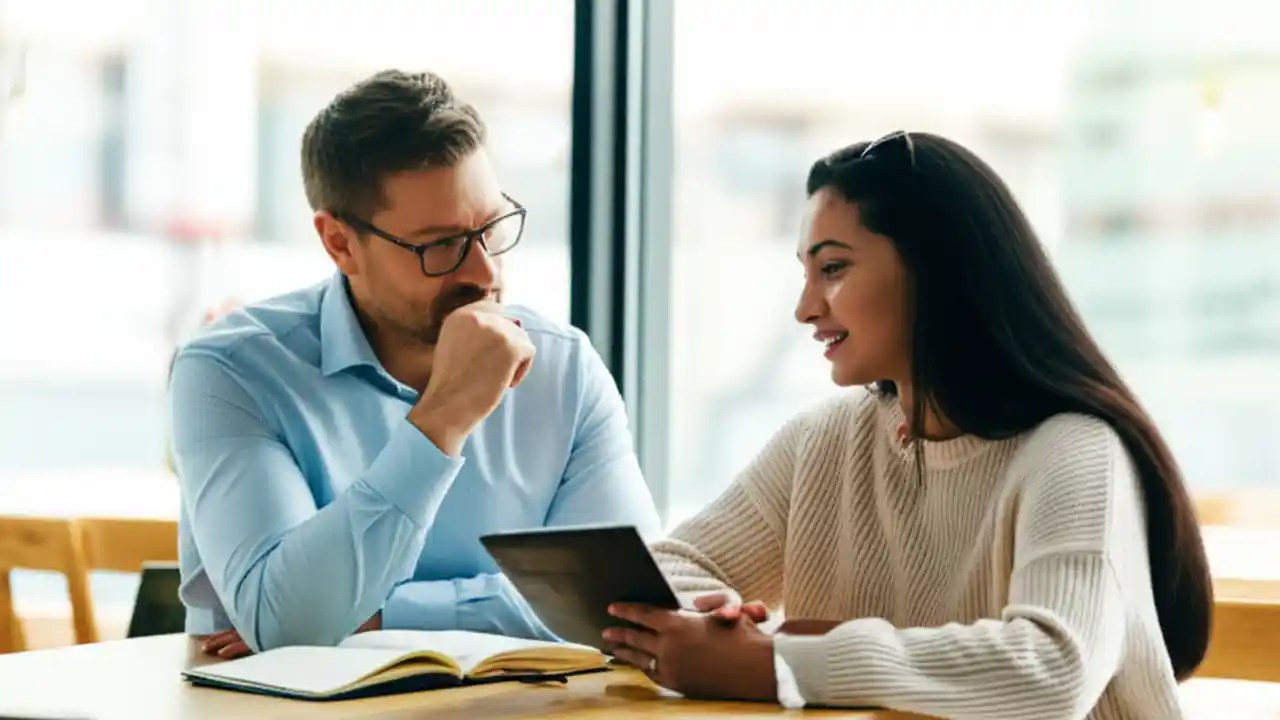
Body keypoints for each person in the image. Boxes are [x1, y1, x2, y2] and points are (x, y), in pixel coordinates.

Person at [603, 131, 1212, 719]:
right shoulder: (823, 440)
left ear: (936, 271)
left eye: (834, 268)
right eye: (806, 273)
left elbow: (1051, 671)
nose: (805, 307)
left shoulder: (1074, 450)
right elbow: (673, 565)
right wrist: (725, 628)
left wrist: (779, 663)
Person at [170, 70, 660, 658]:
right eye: (440, 246)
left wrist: (382, 615)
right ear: (340, 243)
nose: (485, 273)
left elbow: (624, 610)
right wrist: (443, 420)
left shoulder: (564, 368)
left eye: (491, 227)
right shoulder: (231, 370)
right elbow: (288, 628)